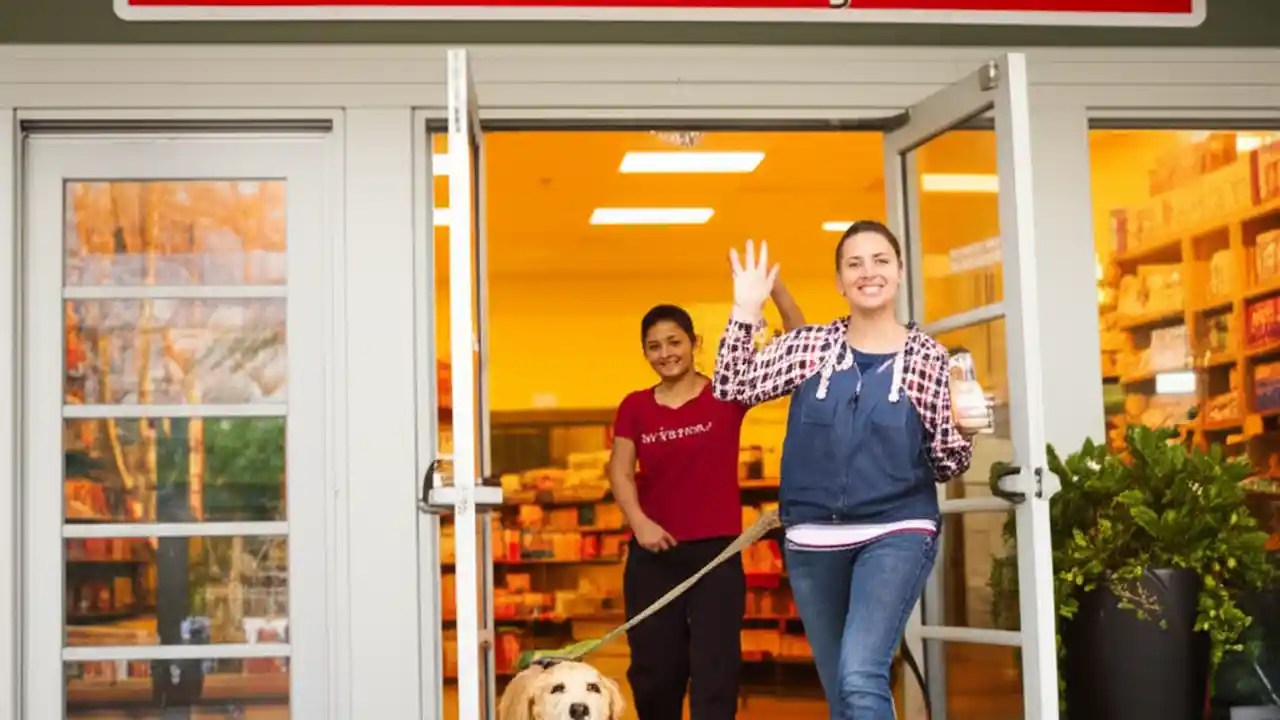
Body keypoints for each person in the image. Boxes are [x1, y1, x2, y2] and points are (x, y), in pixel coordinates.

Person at [711, 225, 979, 720]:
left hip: (897, 529)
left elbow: (947, 464)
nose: (868, 272)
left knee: (860, 674)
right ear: (839, 280)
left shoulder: (929, 359)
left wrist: (963, 429)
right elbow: (731, 388)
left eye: (880, 260)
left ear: (899, 273)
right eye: (854, 263)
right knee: (841, 691)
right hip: (813, 537)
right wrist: (746, 311)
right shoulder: (812, 347)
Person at [608, 286, 805, 720]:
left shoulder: (727, 394)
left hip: (717, 557)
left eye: (674, 342)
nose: (665, 354)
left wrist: (775, 290)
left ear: (694, 343)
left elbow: (798, 346)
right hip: (653, 556)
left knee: (715, 671)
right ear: (644, 353)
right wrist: (638, 521)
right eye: (654, 346)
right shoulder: (635, 407)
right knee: (656, 672)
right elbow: (619, 471)